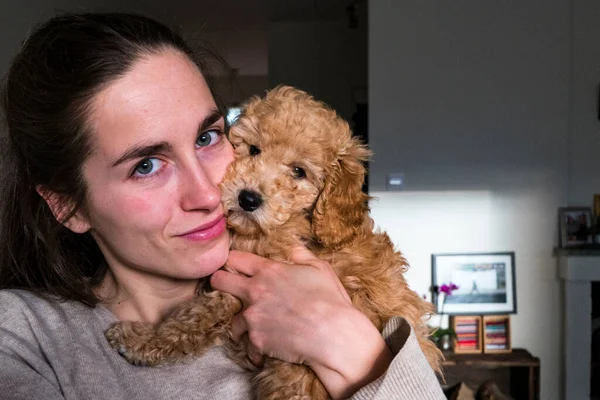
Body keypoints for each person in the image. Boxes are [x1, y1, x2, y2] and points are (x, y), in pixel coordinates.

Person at [0, 12, 445, 399]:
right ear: (67, 206)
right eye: (148, 165)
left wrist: (347, 343)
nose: (209, 194)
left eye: (208, 137)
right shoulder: (24, 337)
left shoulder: (337, 299)